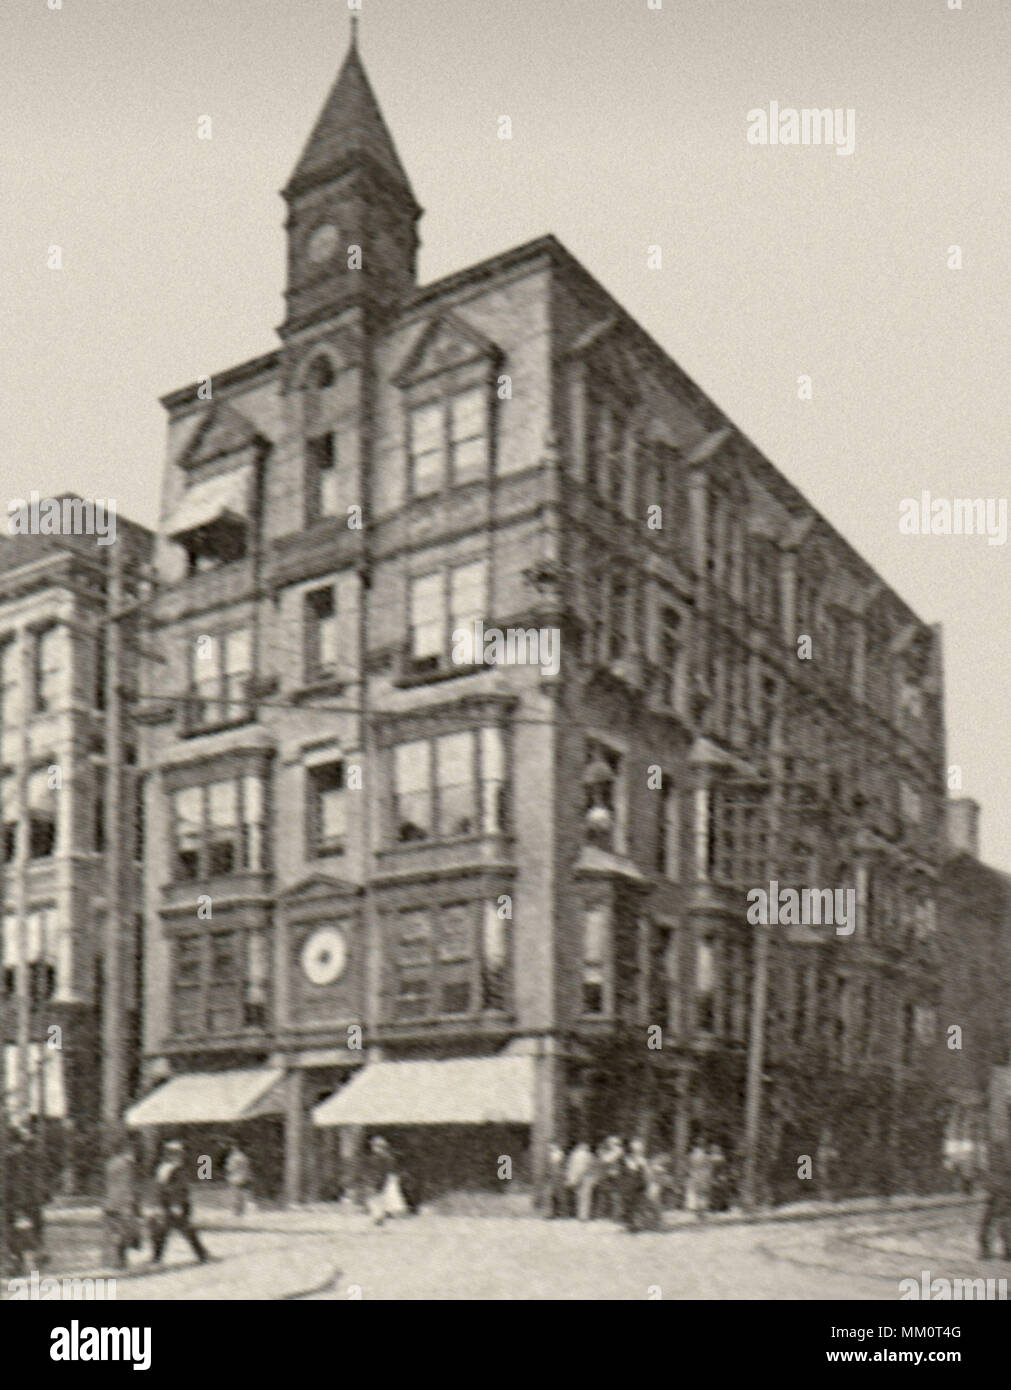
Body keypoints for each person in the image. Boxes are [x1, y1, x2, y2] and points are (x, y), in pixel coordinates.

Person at [150, 1139, 210, 1265]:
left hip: (176, 1204)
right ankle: (157, 1257)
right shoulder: (169, 1168)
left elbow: (178, 1187)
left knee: (181, 1230)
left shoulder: (175, 1168)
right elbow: (165, 1187)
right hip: (170, 1203)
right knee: (164, 1230)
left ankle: (202, 1253)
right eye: (175, 1153)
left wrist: (175, 1204)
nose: (179, 1155)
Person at [102, 1132, 141, 1270]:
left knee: (113, 1232)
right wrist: (130, 1203)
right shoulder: (127, 1165)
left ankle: (110, 1260)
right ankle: (120, 1261)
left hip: (109, 1201)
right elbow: (127, 1185)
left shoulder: (110, 1163)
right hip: (122, 1203)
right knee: (123, 1232)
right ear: (126, 1149)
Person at [978, 1142, 1011, 1261]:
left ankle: (1003, 1251)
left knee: (999, 1226)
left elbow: (996, 1185)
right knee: (997, 1225)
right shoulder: (998, 1168)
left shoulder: (1002, 1169)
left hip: (1001, 1200)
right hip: (998, 1200)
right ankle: (990, 1251)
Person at [365, 1136, 408, 1226]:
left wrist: (378, 1182)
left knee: (385, 1200)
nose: (374, 1148)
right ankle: (379, 1218)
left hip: (384, 1180)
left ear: (381, 1147)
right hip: (385, 1180)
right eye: (373, 1146)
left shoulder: (383, 1158)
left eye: (376, 1146)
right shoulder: (385, 1157)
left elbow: (384, 1171)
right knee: (384, 1200)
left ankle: (381, 1218)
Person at [621, 1138, 653, 1233]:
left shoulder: (642, 1161)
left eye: (638, 1150)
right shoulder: (628, 1160)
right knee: (630, 1204)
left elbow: (647, 1174)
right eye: (634, 1150)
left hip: (639, 1185)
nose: (636, 1152)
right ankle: (631, 1223)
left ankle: (638, 1224)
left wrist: (647, 1183)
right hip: (630, 1185)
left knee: (638, 1204)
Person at [595, 1136, 625, 1220]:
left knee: (614, 1195)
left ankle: (615, 1215)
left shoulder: (618, 1151)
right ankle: (603, 1214)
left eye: (611, 1143)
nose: (609, 1144)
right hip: (607, 1175)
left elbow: (606, 1160)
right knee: (604, 1194)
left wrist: (601, 1153)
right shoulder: (610, 1151)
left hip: (614, 1176)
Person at [565, 1141, 596, 1222]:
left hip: (576, 1177)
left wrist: (571, 1178)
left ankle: (578, 1214)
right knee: (586, 1197)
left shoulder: (573, 1155)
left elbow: (570, 1167)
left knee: (578, 1196)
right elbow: (591, 1167)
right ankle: (584, 1216)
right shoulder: (589, 1156)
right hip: (586, 1177)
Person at [684, 1139, 713, 1218]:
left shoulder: (691, 1156)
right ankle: (702, 1211)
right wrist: (708, 1176)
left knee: (695, 1193)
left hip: (694, 1175)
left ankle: (697, 1211)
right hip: (703, 1175)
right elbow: (709, 1167)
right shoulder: (706, 1156)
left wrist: (690, 1173)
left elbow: (687, 1166)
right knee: (703, 1194)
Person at [224, 1144, 252, 1217]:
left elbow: (230, 1168)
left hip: (234, 1178)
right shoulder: (244, 1157)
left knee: (235, 1195)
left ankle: (236, 1212)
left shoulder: (233, 1157)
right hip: (243, 1177)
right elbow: (247, 1168)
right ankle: (241, 1211)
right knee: (241, 1195)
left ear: (235, 1148)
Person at [545, 1143, 568, 1218]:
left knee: (558, 1195)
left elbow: (555, 1167)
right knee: (554, 1196)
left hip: (556, 1178)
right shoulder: (557, 1155)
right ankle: (556, 1213)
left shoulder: (557, 1155)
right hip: (555, 1177)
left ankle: (561, 1213)